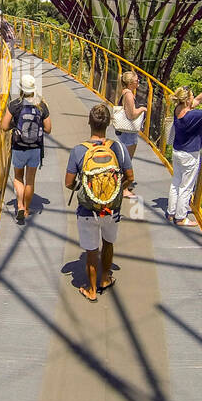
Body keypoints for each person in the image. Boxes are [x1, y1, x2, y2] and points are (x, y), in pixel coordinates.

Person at [65, 104, 135, 302]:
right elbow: (130, 176)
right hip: (111, 209)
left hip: (88, 210)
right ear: (109, 123)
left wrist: (87, 188)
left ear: (89, 121)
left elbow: (69, 183)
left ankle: (92, 289)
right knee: (108, 243)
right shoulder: (118, 147)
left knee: (91, 251)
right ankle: (105, 278)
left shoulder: (78, 151)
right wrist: (113, 191)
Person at [168, 79, 202, 226]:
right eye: (191, 96)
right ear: (187, 100)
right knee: (186, 186)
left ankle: (171, 212)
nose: (193, 98)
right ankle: (180, 217)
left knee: (176, 182)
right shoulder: (192, 116)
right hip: (189, 155)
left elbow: (197, 101)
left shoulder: (178, 109)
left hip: (177, 151)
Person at [0, 73, 51, 223]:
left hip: (18, 147)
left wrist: (14, 126)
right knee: (30, 181)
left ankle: (20, 206)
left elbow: (4, 126)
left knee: (18, 178)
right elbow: (48, 129)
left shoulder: (15, 104)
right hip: (35, 148)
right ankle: (27, 209)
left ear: (20, 89)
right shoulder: (41, 105)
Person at [113, 70, 147, 200]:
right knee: (126, 160)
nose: (138, 82)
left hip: (126, 133)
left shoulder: (126, 92)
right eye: (136, 80)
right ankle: (123, 188)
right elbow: (131, 114)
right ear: (131, 82)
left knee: (124, 159)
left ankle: (122, 185)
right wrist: (142, 109)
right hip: (128, 132)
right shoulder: (128, 95)